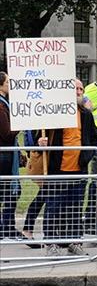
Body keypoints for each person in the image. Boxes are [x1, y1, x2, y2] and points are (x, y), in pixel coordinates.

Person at [33, 79, 97, 256]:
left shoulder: (86, 114)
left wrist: (86, 156)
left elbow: (93, 138)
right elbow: (37, 136)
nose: (79, 92)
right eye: (75, 88)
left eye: (81, 89)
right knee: (53, 207)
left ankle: (75, 241)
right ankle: (51, 243)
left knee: (75, 208)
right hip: (57, 170)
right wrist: (41, 142)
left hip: (79, 170)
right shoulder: (54, 114)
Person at [0, 71, 22, 239]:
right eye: (8, 82)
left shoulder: (4, 104)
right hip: (4, 156)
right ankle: (6, 226)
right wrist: (20, 123)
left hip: (7, 154)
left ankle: (6, 225)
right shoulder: (1, 106)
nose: (10, 85)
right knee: (10, 192)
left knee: (10, 192)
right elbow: (7, 133)